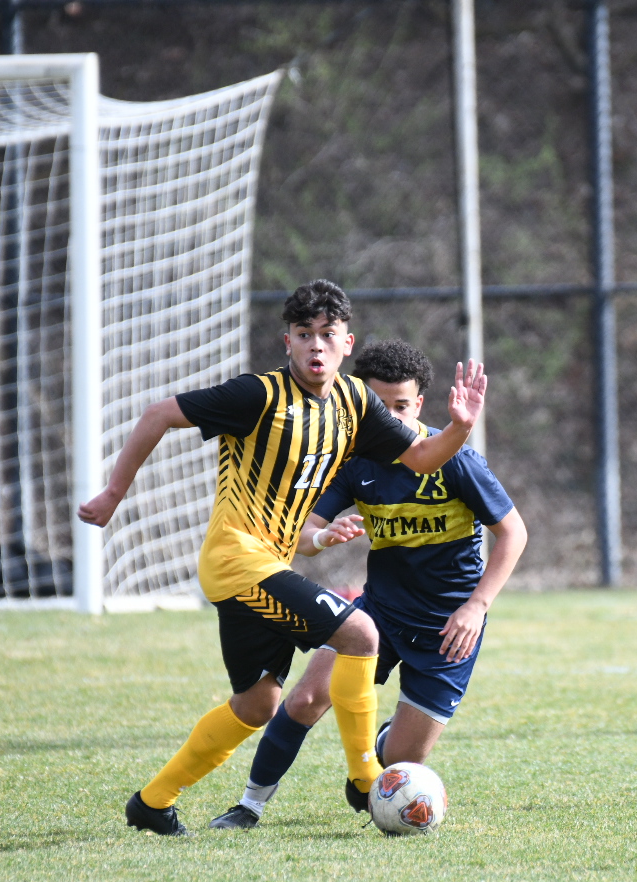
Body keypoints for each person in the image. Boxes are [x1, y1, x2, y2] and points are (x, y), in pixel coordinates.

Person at [78, 280, 487, 837]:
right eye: (303, 334)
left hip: (269, 564)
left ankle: (152, 804)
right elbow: (158, 415)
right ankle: (367, 778)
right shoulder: (257, 396)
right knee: (360, 634)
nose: (316, 345)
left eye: (328, 334)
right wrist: (113, 493)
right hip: (237, 560)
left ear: (347, 343)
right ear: (286, 342)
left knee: (256, 706)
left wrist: (461, 427)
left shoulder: (355, 401)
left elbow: (420, 457)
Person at [209, 339, 527, 829]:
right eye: (381, 407)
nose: (392, 419)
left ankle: (381, 746)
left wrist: (477, 606)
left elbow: (513, 533)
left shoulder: (455, 460)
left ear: (419, 404)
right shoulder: (354, 464)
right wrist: (322, 536)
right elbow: (302, 535)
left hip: (448, 630)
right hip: (378, 613)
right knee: (306, 698)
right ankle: (249, 806)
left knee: (399, 764)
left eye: (402, 406)